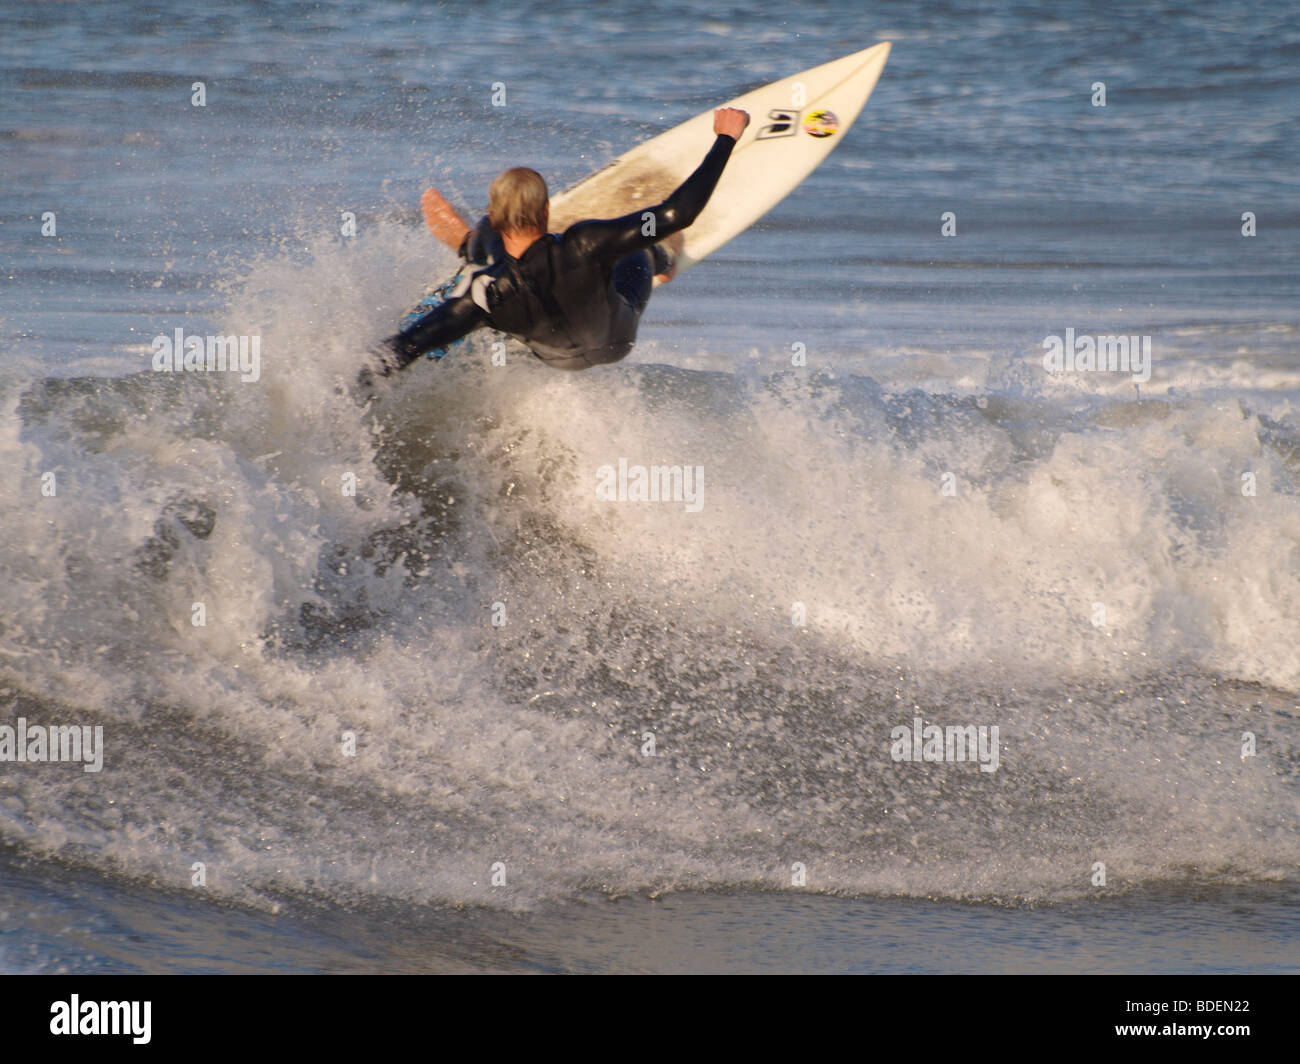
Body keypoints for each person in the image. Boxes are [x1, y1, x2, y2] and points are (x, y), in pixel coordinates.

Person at [363, 107, 750, 380]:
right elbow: (676, 214)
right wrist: (726, 138)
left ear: (498, 217)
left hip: (554, 359)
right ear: (546, 211)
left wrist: (342, 394)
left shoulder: (483, 294)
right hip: (616, 341)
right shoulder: (587, 244)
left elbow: (401, 350)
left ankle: (471, 242)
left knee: (490, 265)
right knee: (643, 247)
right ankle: (664, 260)